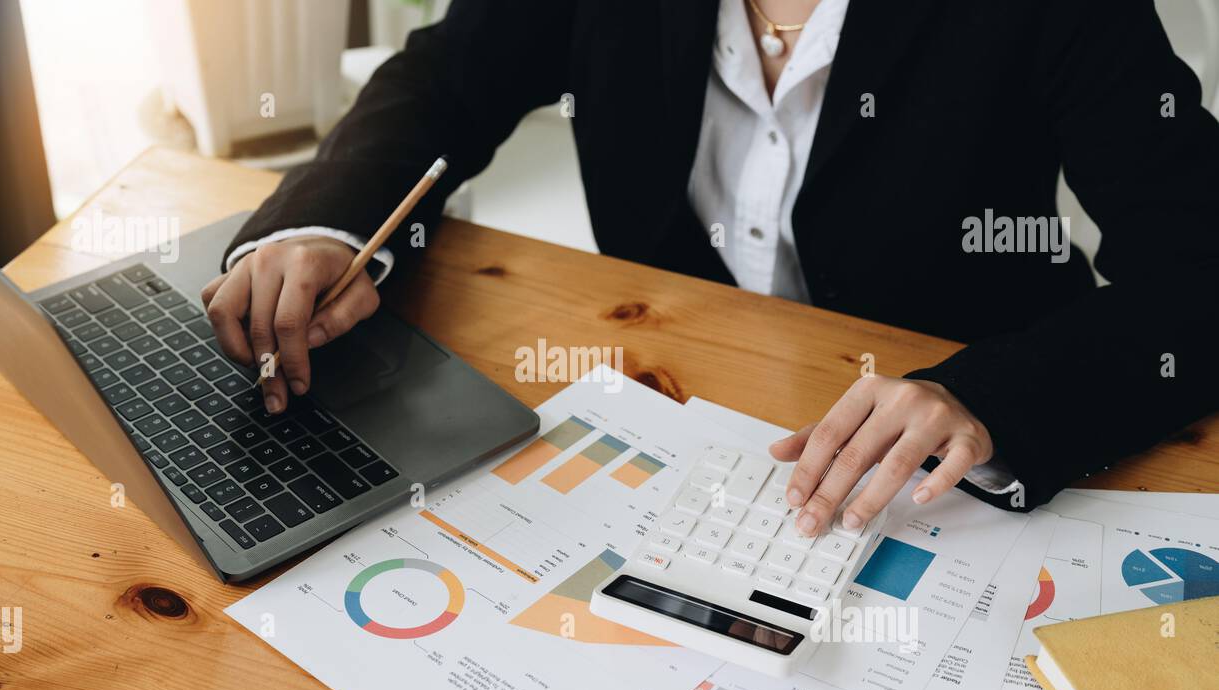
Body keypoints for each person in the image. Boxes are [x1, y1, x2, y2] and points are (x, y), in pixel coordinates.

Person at [201, 0, 1219, 539]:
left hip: (950, 482)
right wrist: (328, 230)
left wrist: (986, 395)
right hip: (679, 427)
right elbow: (443, 78)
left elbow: (1198, 259)